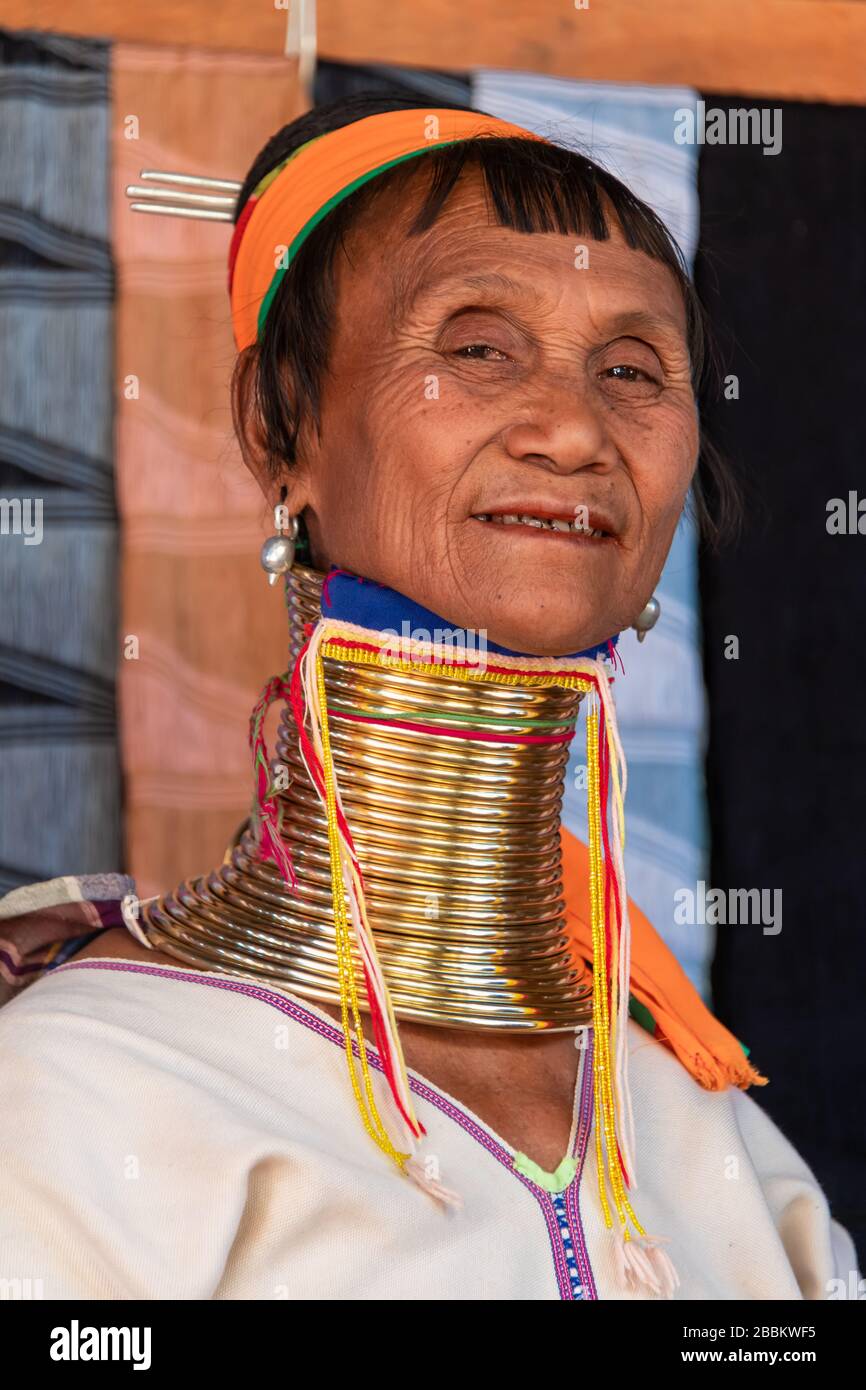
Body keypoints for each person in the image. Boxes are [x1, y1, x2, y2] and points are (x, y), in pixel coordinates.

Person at [0, 94, 857, 1301]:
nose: (572, 428)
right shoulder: (83, 1093)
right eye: (475, 346)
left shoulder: (706, 1137)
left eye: (630, 369)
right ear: (274, 426)